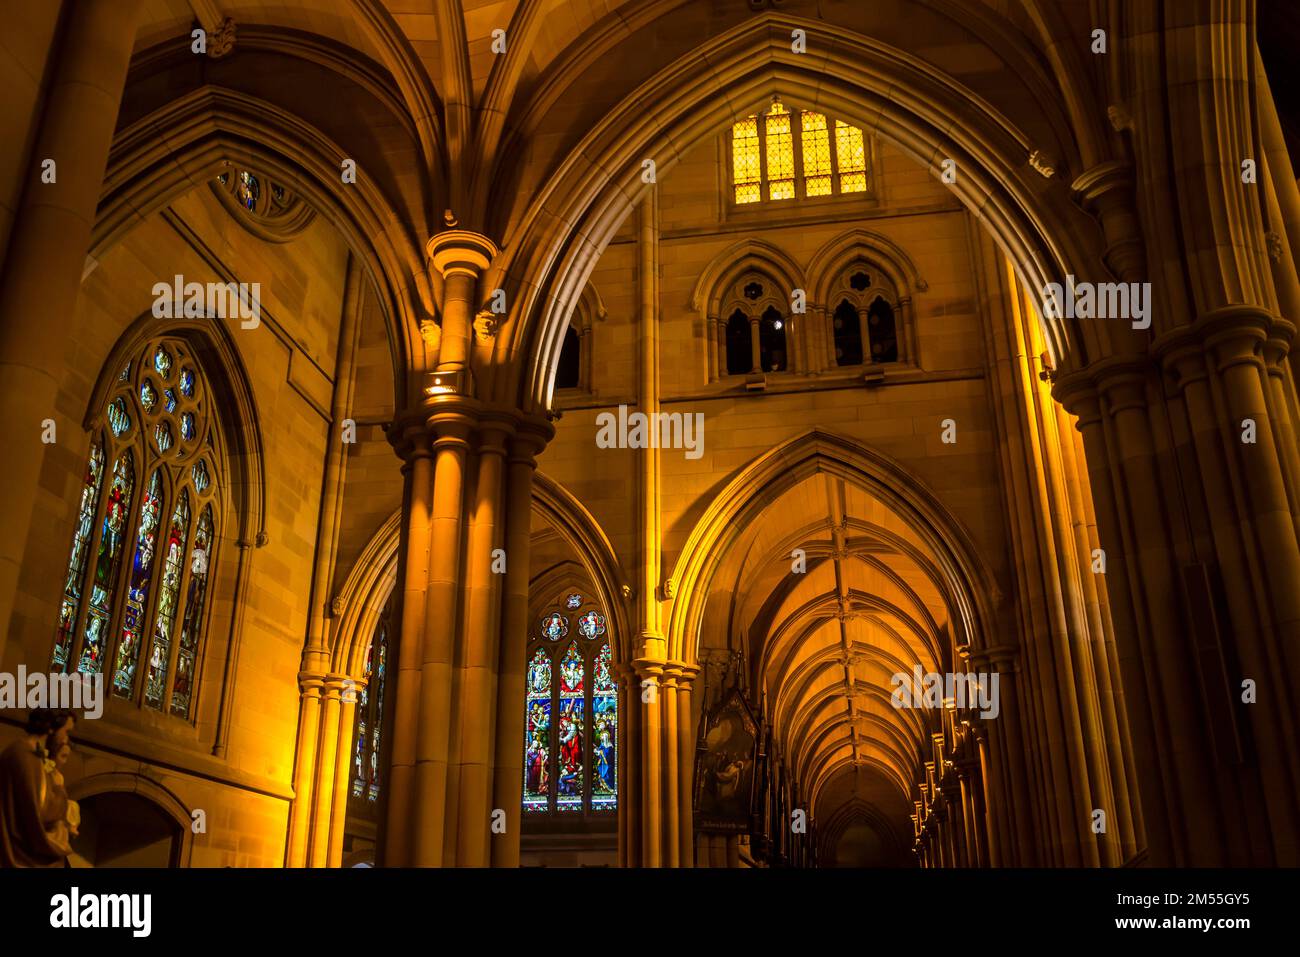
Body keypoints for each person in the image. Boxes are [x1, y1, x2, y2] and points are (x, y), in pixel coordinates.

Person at [0, 708, 77, 867]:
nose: (66, 739)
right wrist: (60, 791)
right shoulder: (27, 757)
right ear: (51, 728)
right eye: (66, 732)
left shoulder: (24, 753)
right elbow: (44, 811)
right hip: (21, 859)